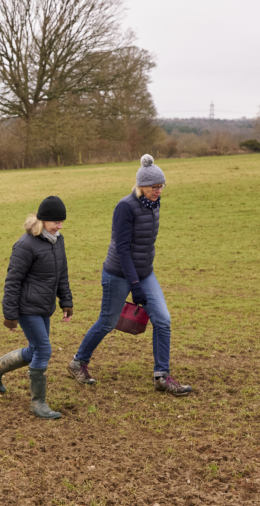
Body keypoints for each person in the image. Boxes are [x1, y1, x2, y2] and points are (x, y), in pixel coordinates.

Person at [68, 154, 193, 396]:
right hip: (118, 273)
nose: (158, 191)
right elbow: (122, 248)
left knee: (163, 320)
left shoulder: (154, 203)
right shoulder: (125, 207)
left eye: (161, 186)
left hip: (145, 272)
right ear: (141, 186)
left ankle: (161, 376)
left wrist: (143, 275)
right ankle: (77, 362)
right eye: (154, 187)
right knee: (107, 321)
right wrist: (135, 285)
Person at [0, 196, 73, 419]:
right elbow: (13, 280)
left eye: (62, 222)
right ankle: (37, 403)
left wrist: (66, 300)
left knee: (35, 350)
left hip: (44, 306)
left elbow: (62, 272)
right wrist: (10, 314)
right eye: (56, 222)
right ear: (43, 220)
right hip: (26, 307)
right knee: (44, 350)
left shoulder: (57, 240)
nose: (60, 226)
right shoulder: (25, 245)